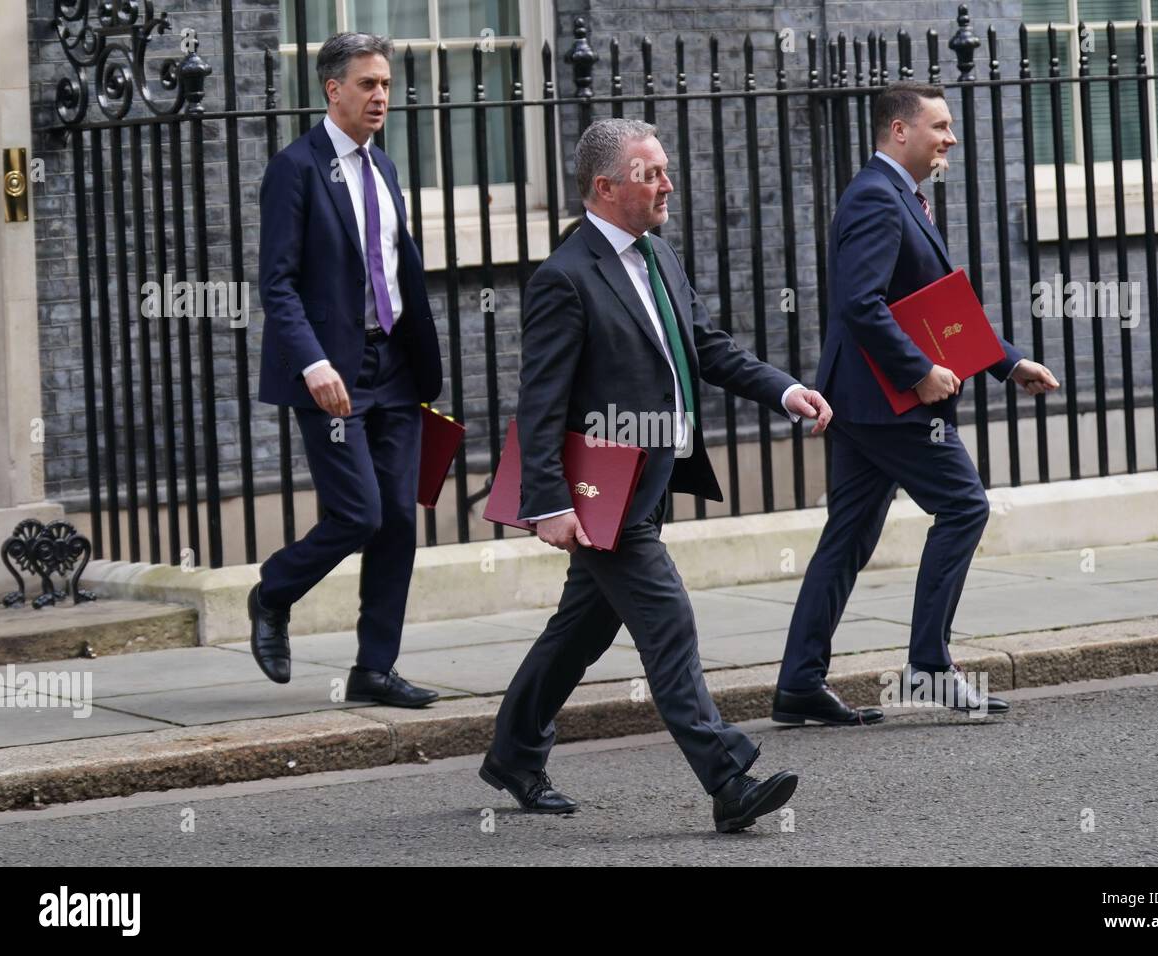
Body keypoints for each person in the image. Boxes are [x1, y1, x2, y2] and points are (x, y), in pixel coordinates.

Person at [480, 118, 833, 833]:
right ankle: (728, 779)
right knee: (669, 622)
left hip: (646, 483)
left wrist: (784, 390)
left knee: (580, 630)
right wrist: (548, 502)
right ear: (606, 187)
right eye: (651, 174)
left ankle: (513, 753)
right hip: (600, 497)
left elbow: (706, 346)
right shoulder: (565, 277)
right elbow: (540, 404)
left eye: (666, 170)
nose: (668, 185)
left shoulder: (657, 255)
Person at [773, 82, 1059, 724]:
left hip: (864, 401)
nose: (950, 138)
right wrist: (919, 372)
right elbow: (862, 304)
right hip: (888, 403)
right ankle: (929, 666)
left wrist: (1007, 362)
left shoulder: (897, 195)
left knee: (847, 537)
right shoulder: (877, 197)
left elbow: (937, 311)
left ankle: (798, 684)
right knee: (964, 506)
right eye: (940, 126)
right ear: (899, 131)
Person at [251, 32, 443, 709]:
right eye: (368, 84)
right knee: (359, 512)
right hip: (334, 371)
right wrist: (313, 363)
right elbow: (277, 284)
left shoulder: (382, 167)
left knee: (398, 520)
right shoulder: (295, 168)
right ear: (333, 90)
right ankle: (273, 593)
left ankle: (375, 670)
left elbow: (394, 266)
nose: (381, 95)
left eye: (385, 84)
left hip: (395, 366)